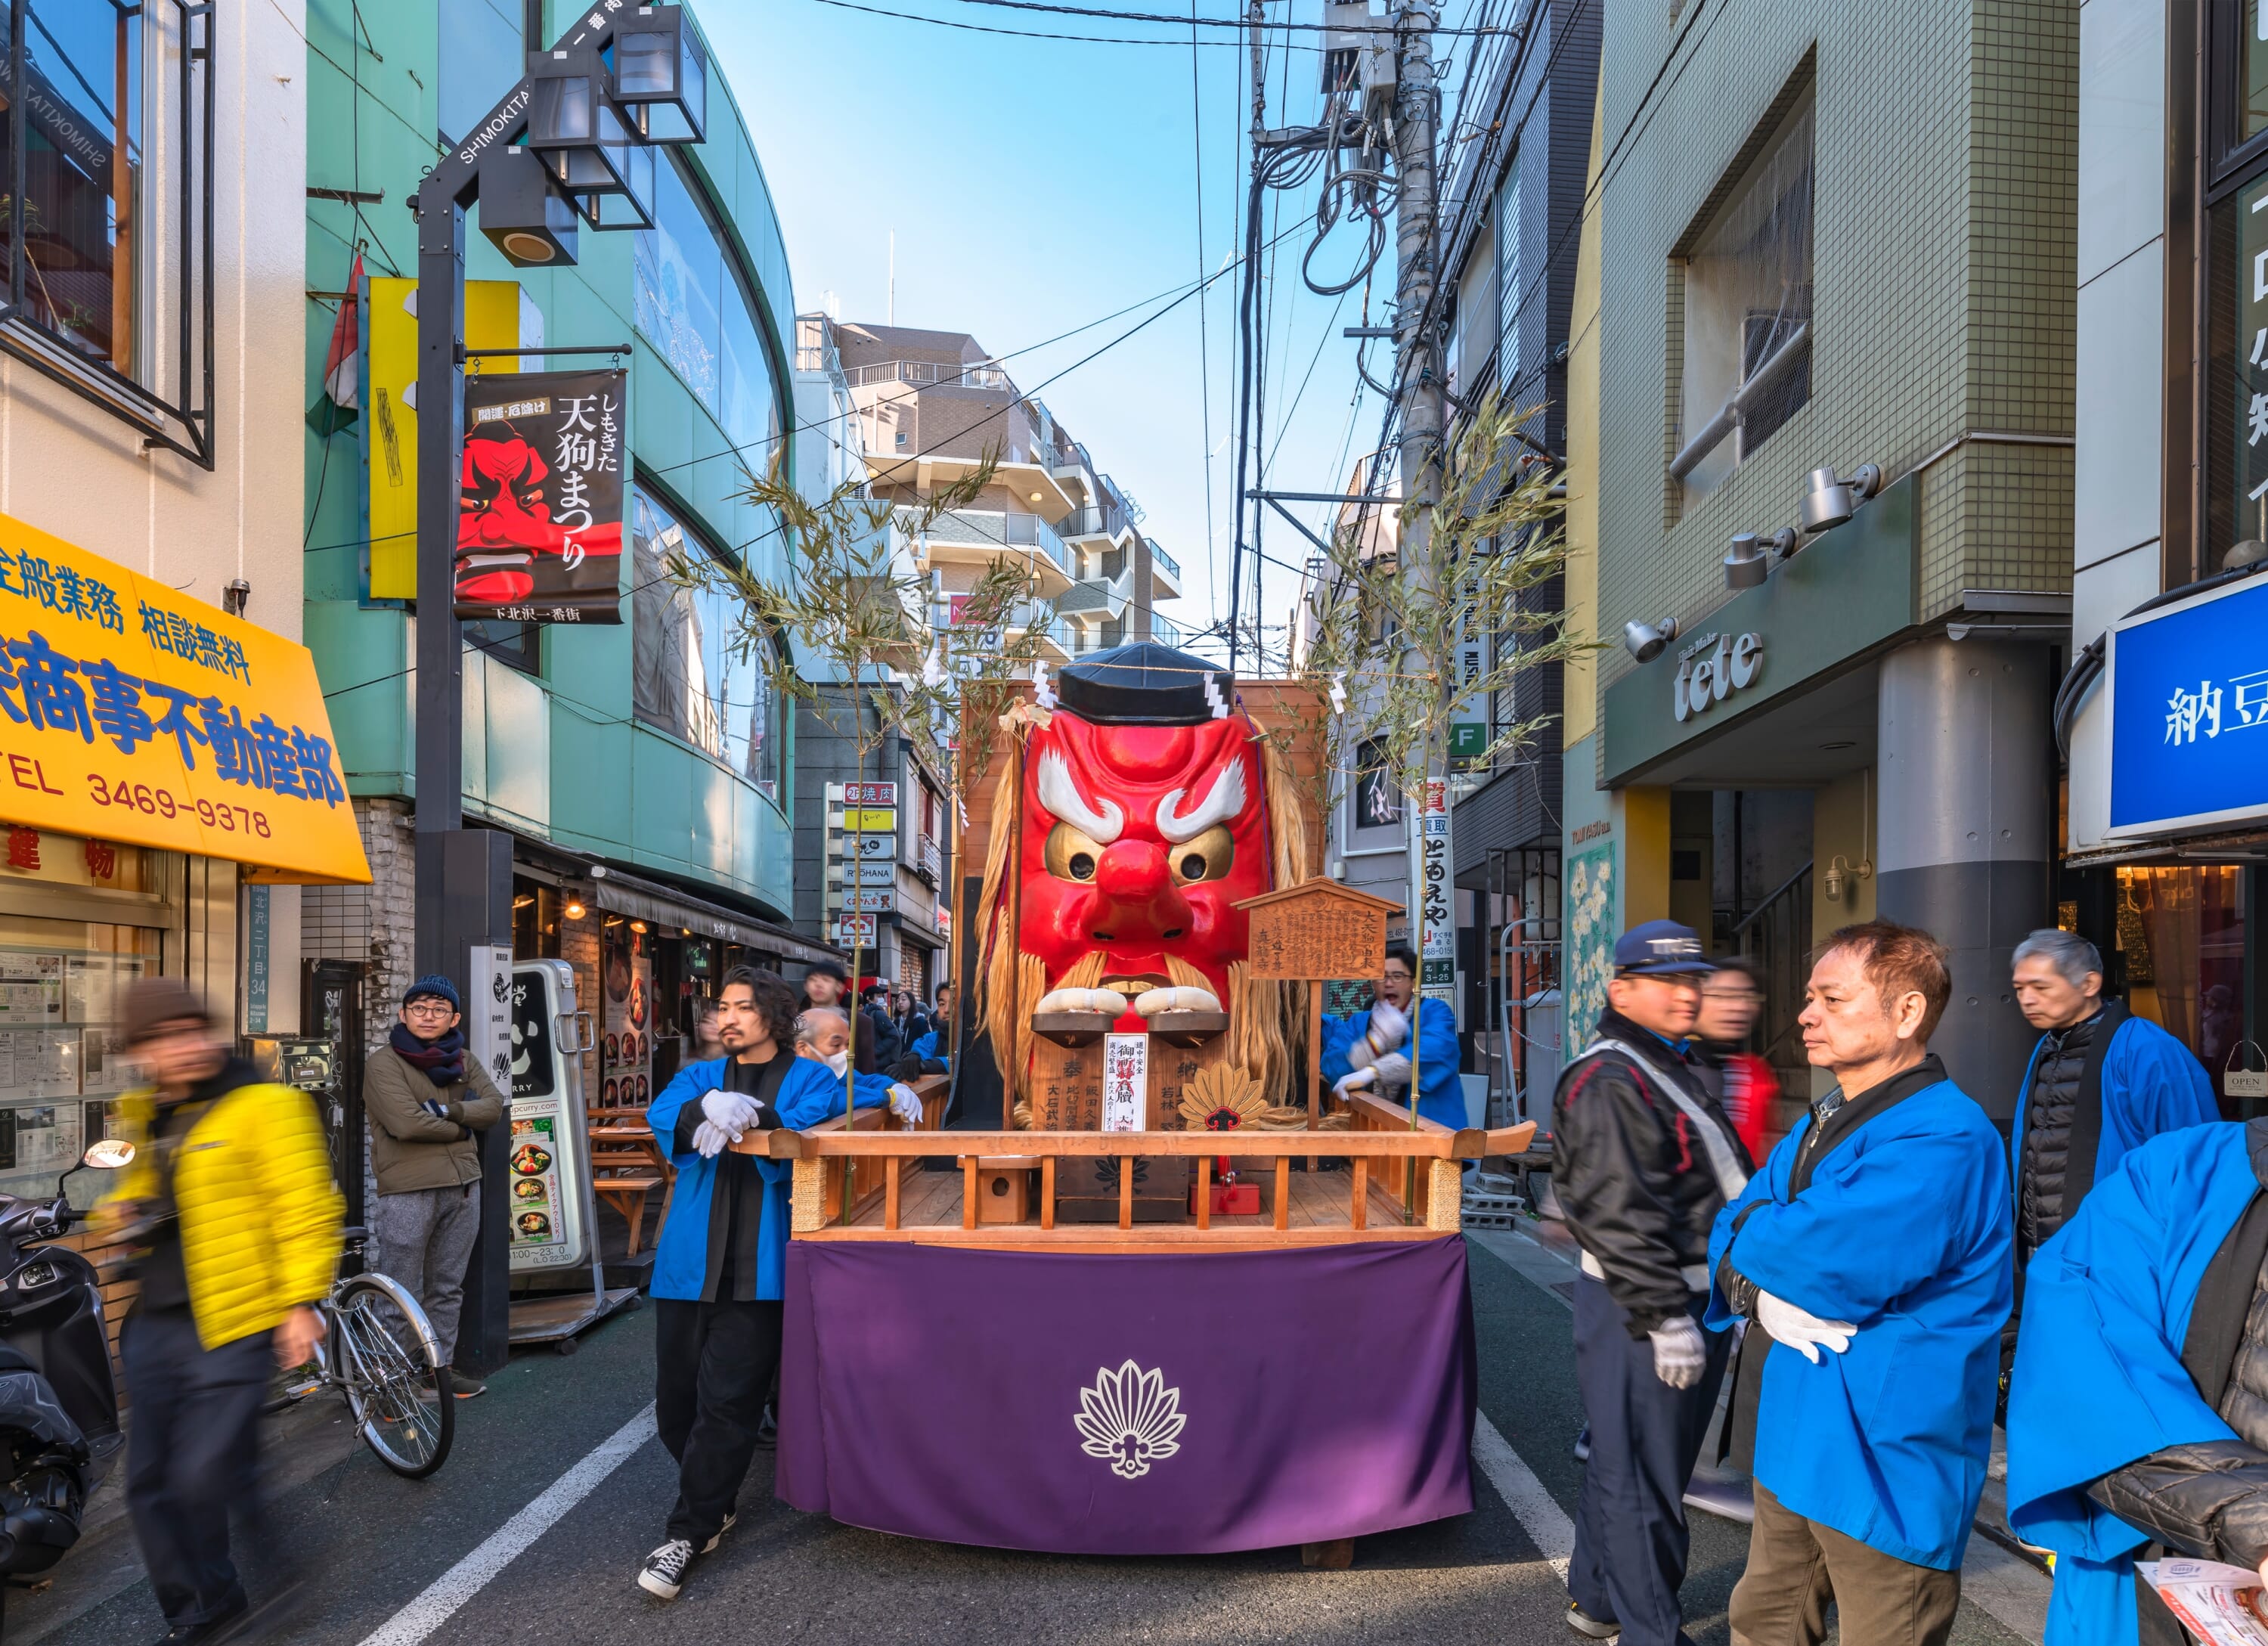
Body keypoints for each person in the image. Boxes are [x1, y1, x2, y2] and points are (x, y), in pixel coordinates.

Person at [1705, 921, 2012, 1646]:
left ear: (1906, 1013)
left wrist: (1753, 1251)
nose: (1806, 1014)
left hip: (1886, 1445)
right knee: (1763, 1620)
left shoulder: (1946, 1134)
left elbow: (1818, 1259)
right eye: (1810, 997)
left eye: (1832, 999)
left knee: (1885, 1627)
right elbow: (1735, 1223)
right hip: (1801, 1430)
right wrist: (1755, 1279)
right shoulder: (1827, 1115)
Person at [639, 966, 922, 1601]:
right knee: (675, 1406)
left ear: (772, 1015)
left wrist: (755, 1115)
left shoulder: (811, 1075)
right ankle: (714, 1495)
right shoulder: (699, 1075)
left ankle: (692, 1528)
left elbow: (810, 1116)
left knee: (728, 1404)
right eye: (723, 1007)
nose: (727, 1018)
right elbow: (664, 1112)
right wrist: (701, 1109)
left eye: (741, 1007)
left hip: (761, 1265)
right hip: (689, 1263)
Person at [99, 978, 343, 1643]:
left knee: (203, 1473)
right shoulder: (146, 1111)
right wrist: (118, 1211)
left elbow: (307, 1207)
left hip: (235, 1319)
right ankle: (203, 1611)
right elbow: (132, 1191)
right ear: (140, 1051)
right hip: (155, 1322)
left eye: (189, 1029)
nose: (181, 1047)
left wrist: (300, 1301)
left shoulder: (267, 1104)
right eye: (161, 1037)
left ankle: (274, 1577)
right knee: (149, 1484)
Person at [1550, 919, 1748, 1646]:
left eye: (1692, 979)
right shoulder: (1612, 1075)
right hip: (1650, 1297)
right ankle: (1651, 1631)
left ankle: (1600, 1596)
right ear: (1621, 989)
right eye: (1666, 981)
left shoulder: (1654, 1060)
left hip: (1664, 1292)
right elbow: (1614, 1207)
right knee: (1646, 1478)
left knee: (1625, 1459)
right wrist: (1665, 1315)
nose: (1685, 994)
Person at [2005, 1116, 2260, 1646]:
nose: (1807, 1024)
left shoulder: (2148, 1055)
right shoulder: (2178, 1174)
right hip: (2164, 1578)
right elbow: (2082, 1369)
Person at [2009, 928, 2215, 1291]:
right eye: (2020, 988)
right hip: (2050, 1256)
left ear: (2089, 984)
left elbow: (2194, 1161)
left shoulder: (2149, 1050)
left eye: (2041, 987)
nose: (2028, 999)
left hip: (2123, 1261)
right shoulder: (2047, 1046)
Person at [363, 974, 506, 1400]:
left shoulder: (463, 1058)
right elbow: (406, 1124)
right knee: (400, 1289)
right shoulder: (383, 1063)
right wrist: (462, 1127)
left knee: (448, 1285)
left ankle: (435, 1372)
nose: (429, 1016)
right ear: (404, 1013)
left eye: (439, 1010)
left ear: (454, 1017)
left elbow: (494, 1106)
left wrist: (447, 1110)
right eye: (420, 1008)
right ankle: (387, 1384)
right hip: (408, 1188)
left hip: (463, 1184)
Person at [1321, 944, 1463, 1130]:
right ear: (1373, 983)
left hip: (1433, 1135)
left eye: (1398, 976)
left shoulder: (1435, 1012)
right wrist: (1374, 1041)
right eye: (1382, 977)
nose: (1388, 983)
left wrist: (1372, 1072)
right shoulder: (1359, 1022)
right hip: (1375, 1138)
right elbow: (1332, 1066)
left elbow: (1436, 1051)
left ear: (1413, 983)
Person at [1691, 956, 1781, 1164]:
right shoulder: (1666, 1067)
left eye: (1748, 997)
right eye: (1723, 995)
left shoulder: (1757, 1072)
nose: (1739, 1007)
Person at [801, 959, 877, 1074]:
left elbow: (867, 1068)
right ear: (806, 986)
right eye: (813, 980)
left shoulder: (859, 1022)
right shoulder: (798, 1021)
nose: (818, 985)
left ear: (839, 986)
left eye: (826, 980)